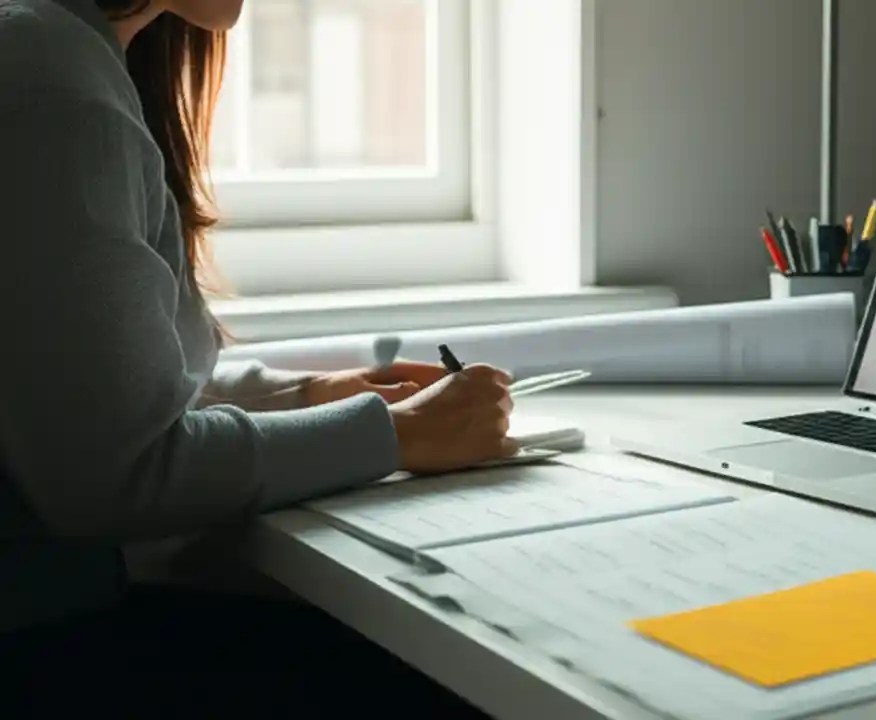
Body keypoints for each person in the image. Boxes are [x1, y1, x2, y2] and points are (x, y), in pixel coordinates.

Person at [0, 0, 513, 715]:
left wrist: (312, 395)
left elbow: (127, 392)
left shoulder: (65, 51)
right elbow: (115, 475)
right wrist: (395, 436)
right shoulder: (47, 78)